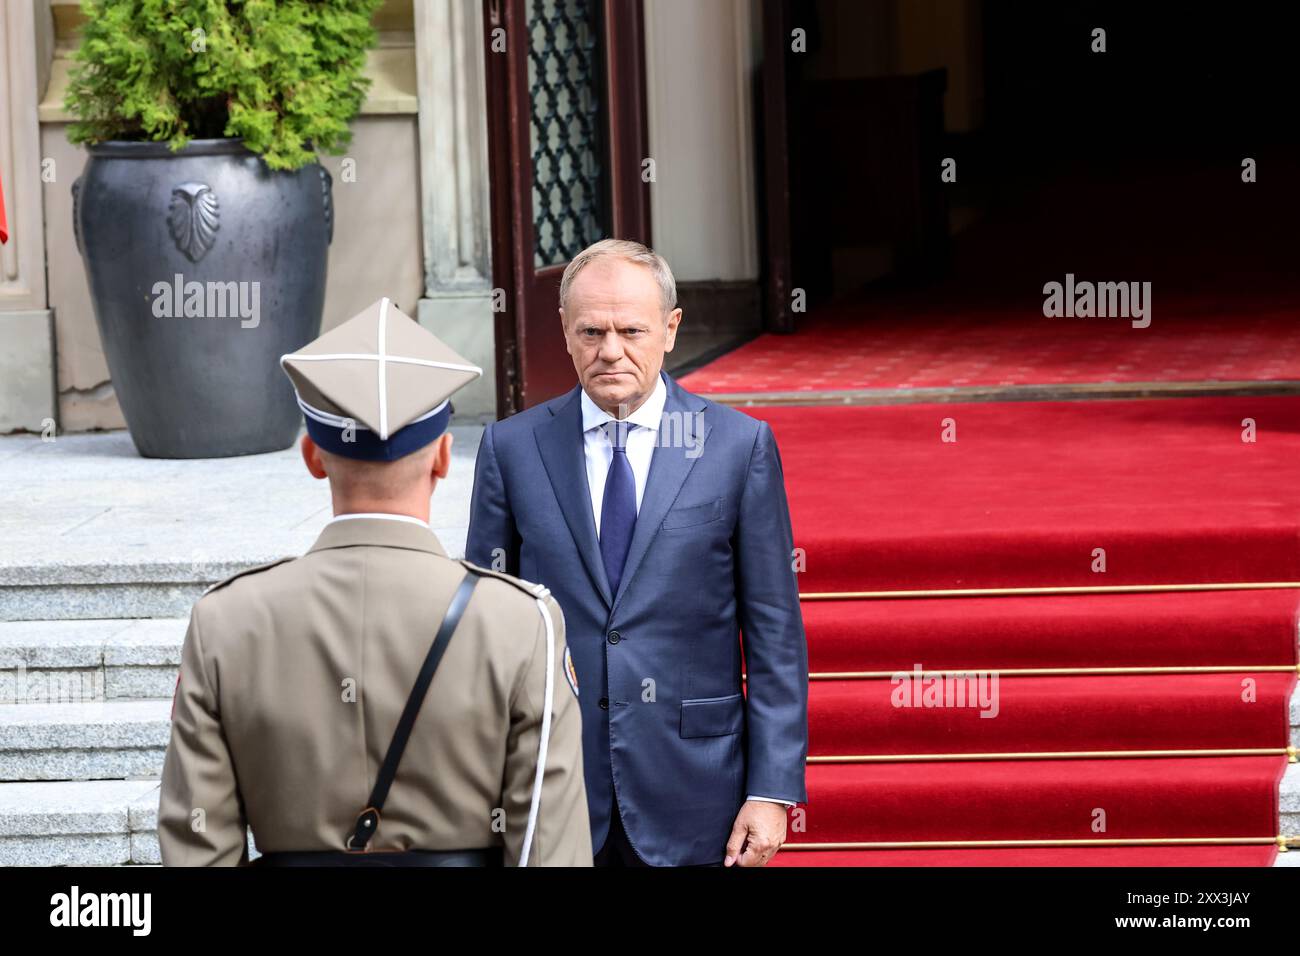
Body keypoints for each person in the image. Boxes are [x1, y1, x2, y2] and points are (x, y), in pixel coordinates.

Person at [158, 297, 591, 866]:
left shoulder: (226, 620)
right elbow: (547, 845)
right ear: (442, 456)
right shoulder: (519, 620)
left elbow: (198, 847)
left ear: (312, 456)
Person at [466, 240, 808, 867]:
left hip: (697, 789)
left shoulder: (737, 446)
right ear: (565, 332)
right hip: (555, 789)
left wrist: (771, 790)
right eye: (591, 331)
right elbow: (484, 628)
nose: (611, 351)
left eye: (631, 330)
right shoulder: (510, 450)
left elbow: (774, 632)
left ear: (671, 329)